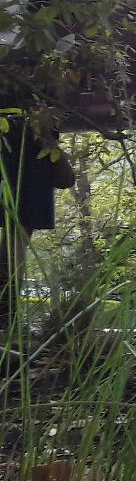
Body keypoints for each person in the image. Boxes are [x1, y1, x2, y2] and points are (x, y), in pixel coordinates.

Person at [1, 115, 74, 377]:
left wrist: (48, 144)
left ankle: (7, 328)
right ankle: (7, 328)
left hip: (19, 222)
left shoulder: (37, 150)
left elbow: (65, 179)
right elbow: (65, 179)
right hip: (19, 221)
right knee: (9, 266)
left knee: (9, 267)